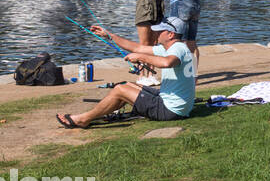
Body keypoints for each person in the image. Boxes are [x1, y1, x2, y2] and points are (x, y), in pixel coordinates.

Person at [56, 18, 196, 128]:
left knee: (120, 90)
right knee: (125, 85)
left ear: (170, 34)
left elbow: (167, 63)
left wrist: (140, 57)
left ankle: (83, 119)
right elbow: (137, 47)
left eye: (160, 31)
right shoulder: (172, 47)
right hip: (174, 105)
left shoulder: (177, 48)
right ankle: (97, 114)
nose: (156, 33)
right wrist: (109, 35)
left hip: (170, 110)